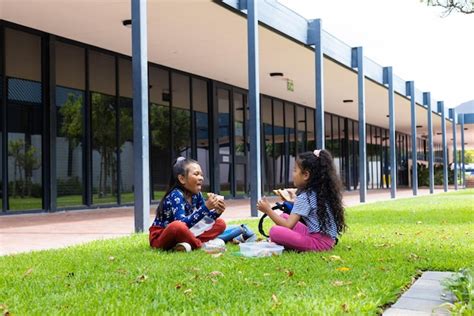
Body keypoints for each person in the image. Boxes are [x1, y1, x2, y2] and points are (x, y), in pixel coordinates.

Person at [256, 149, 346, 252]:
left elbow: (288, 225)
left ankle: (287, 242)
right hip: (328, 239)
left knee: (275, 231)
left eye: (295, 170)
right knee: (284, 216)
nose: (292, 174)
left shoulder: (305, 197)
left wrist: (268, 210)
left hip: (319, 243)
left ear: (306, 175)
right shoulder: (320, 192)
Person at [149, 157, 226, 252]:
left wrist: (217, 212)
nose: (201, 178)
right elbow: (182, 223)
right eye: (196, 174)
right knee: (177, 226)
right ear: (182, 179)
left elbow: (202, 219)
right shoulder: (176, 194)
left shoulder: (197, 195)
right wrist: (205, 208)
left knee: (220, 223)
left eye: (201, 175)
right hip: (162, 236)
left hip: (186, 232)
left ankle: (184, 245)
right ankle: (200, 245)